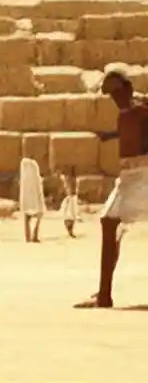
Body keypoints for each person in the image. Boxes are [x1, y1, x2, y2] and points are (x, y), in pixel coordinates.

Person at [75, 67, 148, 309]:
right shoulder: (124, 114)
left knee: (109, 223)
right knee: (108, 223)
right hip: (127, 177)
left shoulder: (142, 110)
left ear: (128, 88)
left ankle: (105, 294)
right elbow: (128, 133)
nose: (115, 99)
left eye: (117, 93)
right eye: (111, 96)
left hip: (144, 176)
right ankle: (104, 294)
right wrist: (109, 136)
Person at [19, 157, 44, 243]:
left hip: (27, 196)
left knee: (27, 216)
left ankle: (28, 237)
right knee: (39, 214)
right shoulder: (33, 167)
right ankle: (34, 235)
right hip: (34, 196)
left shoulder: (25, 168)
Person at [60, 167, 79, 239]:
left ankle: (70, 231)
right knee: (70, 216)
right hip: (70, 198)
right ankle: (70, 231)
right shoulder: (69, 180)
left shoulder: (70, 180)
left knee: (71, 216)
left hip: (72, 198)